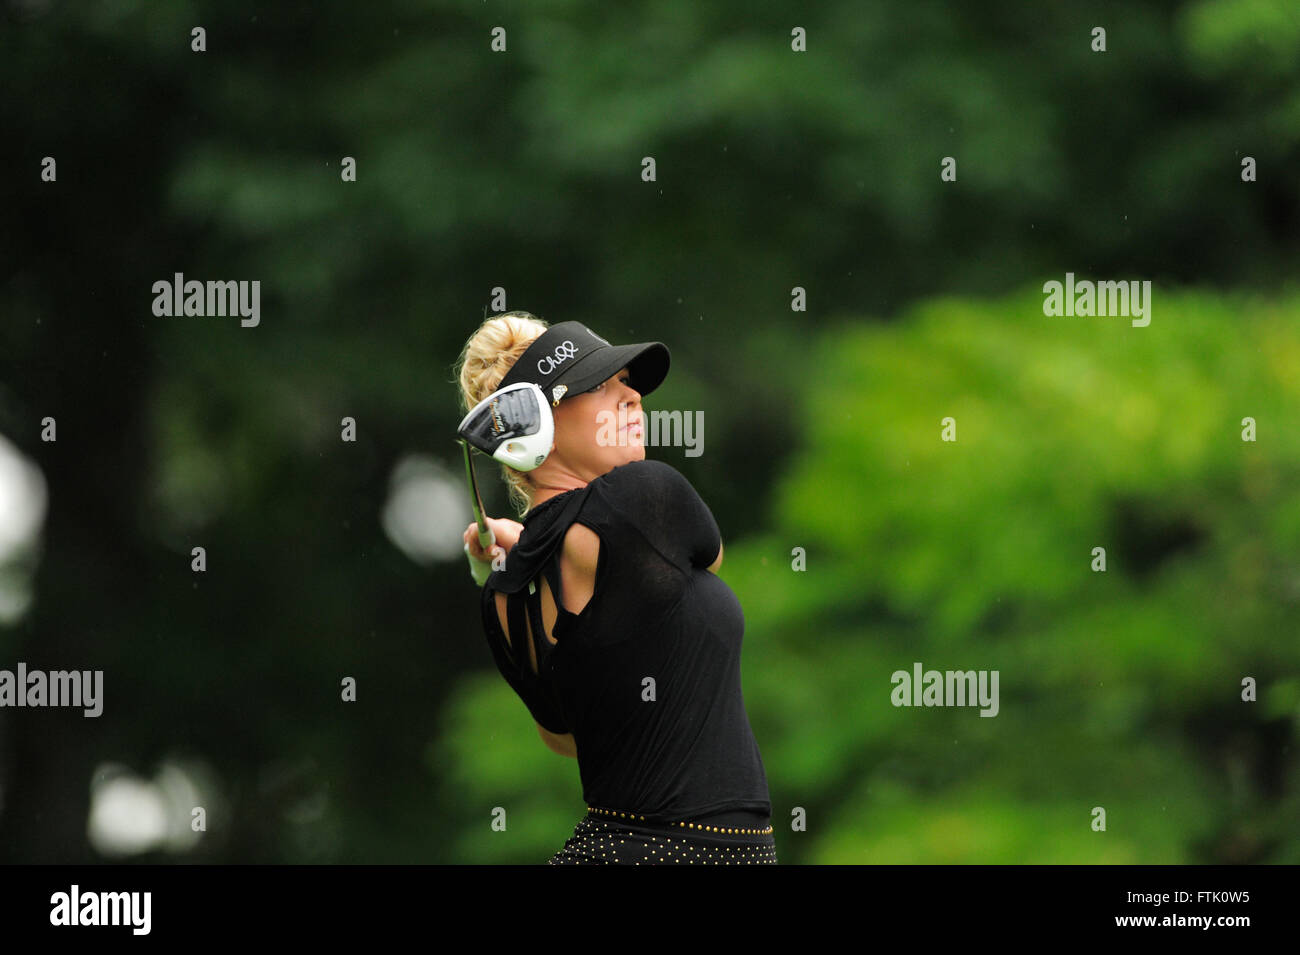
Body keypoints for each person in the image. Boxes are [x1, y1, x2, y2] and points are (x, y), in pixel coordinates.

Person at [454, 311, 776, 864]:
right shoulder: (644, 498)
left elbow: (565, 738)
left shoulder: (503, 594)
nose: (632, 397)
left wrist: (526, 542)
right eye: (601, 387)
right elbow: (710, 559)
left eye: (626, 383)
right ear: (534, 426)